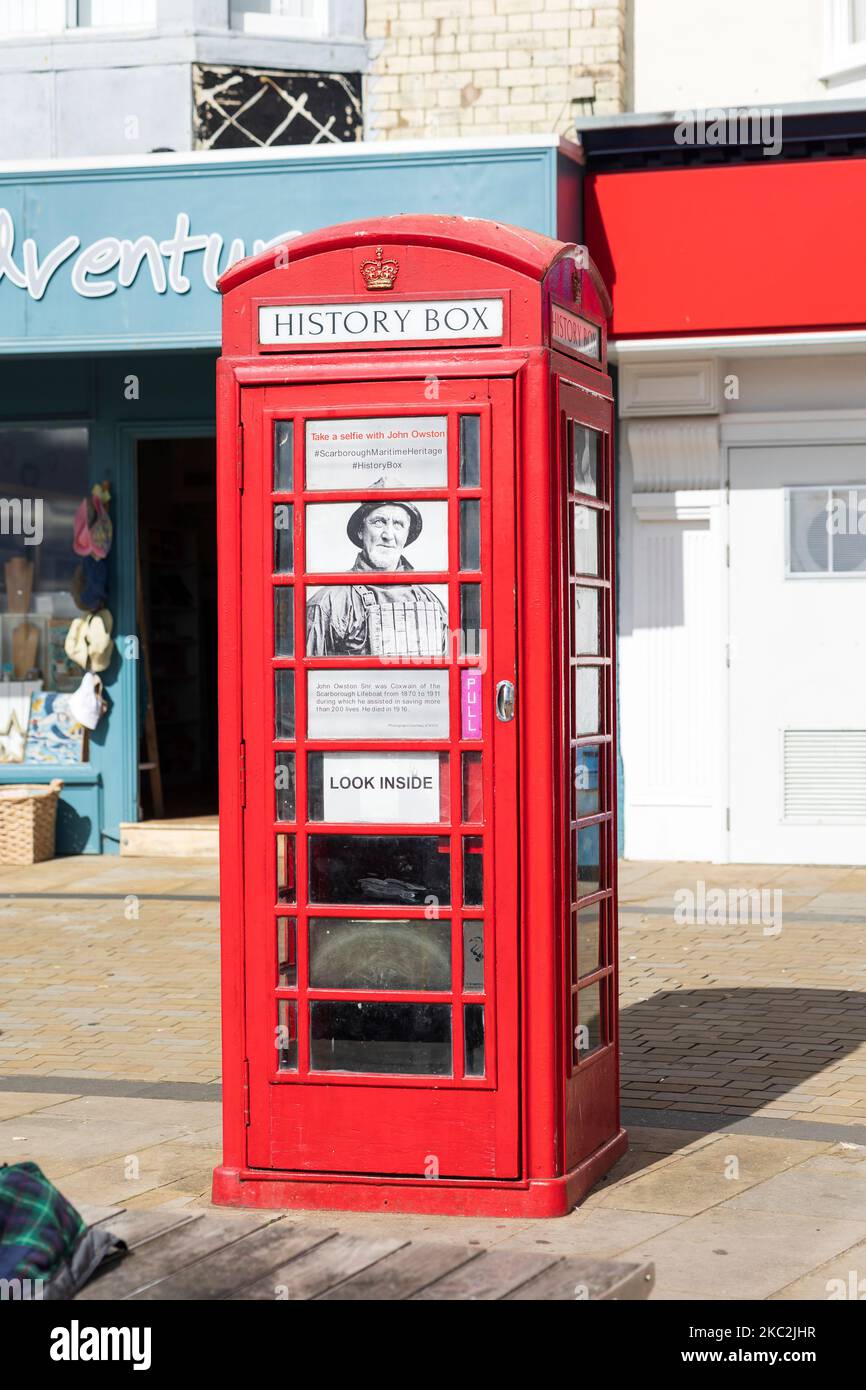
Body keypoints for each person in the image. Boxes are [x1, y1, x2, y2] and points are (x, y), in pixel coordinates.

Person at [306, 501, 448, 657]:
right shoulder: (327, 603)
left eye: (398, 524)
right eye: (379, 522)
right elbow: (311, 676)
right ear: (361, 531)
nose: (388, 535)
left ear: (407, 535)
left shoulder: (432, 603)